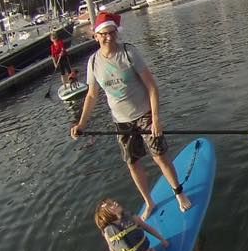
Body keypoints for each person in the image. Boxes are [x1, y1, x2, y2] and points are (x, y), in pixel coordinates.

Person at [70, 11, 192, 219]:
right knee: (132, 163)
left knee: (159, 157)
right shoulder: (92, 63)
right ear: (96, 36)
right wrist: (81, 124)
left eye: (112, 32)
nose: (109, 37)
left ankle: (179, 194)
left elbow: (152, 87)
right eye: (104, 34)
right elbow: (91, 96)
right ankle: (149, 202)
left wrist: (155, 118)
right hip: (121, 121)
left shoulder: (129, 53)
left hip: (144, 114)